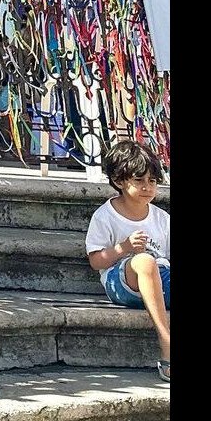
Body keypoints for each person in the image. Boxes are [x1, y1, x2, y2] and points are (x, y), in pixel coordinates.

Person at [84, 139, 170, 382]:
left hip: (161, 281)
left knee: (153, 264)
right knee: (144, 261)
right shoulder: (105, 216)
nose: (147, 187)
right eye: (139, 180)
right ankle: (166, 342)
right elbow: (96, 261)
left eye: (152, 181)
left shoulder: (162, 218)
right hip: (122, 284)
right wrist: (124, 248)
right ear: (120, 181)